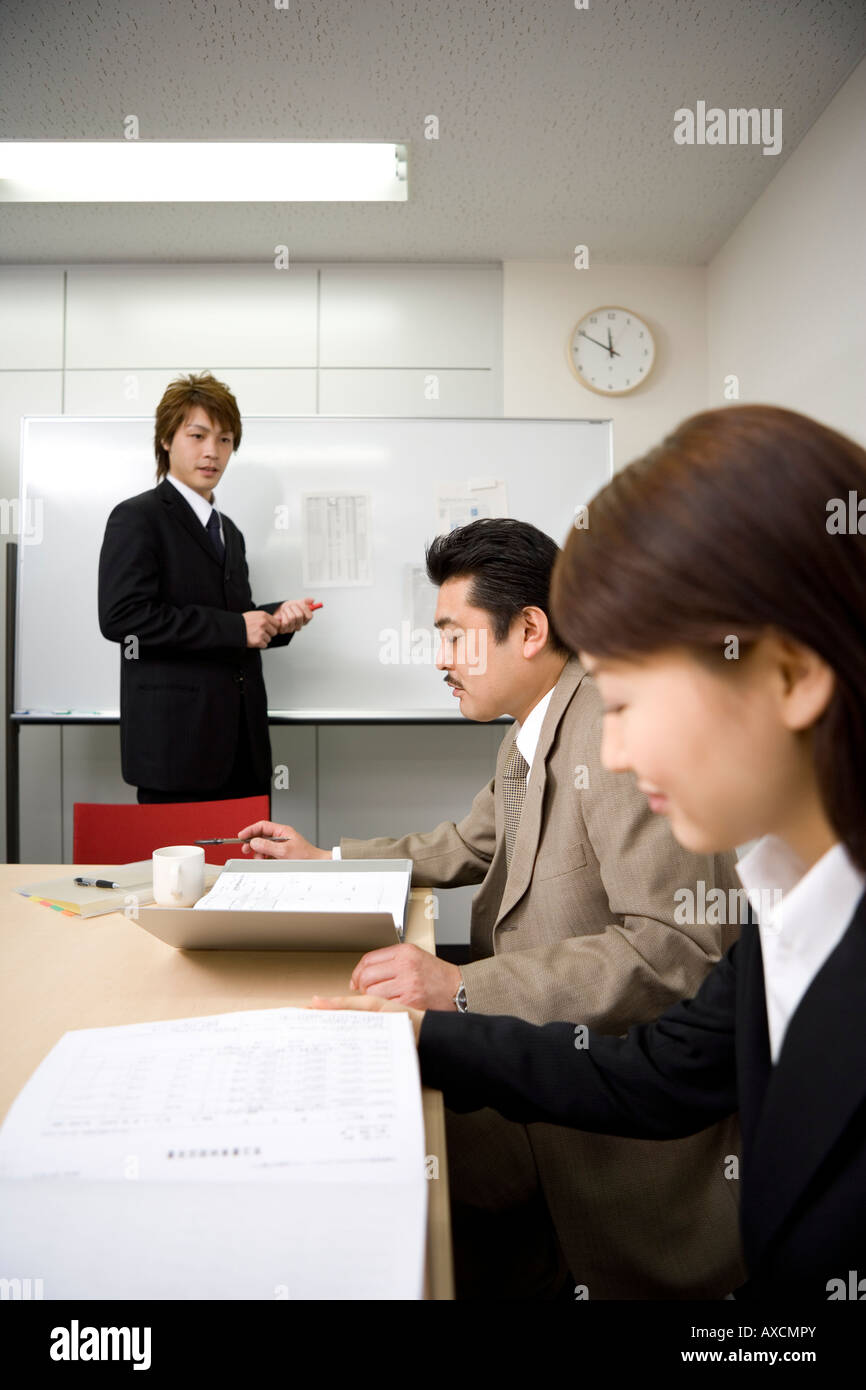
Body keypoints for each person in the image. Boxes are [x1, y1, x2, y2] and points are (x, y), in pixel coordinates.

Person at [312, 404, 866, 1300]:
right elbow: (659, 1076)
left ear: (790, 676)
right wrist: (425, 1036)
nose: (611, 750)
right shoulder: (787, 918)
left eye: (631, 694)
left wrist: (453, 996)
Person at [240, 518, 745, 1300]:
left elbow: (673, 949)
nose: (439, 660)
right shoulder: (529, 733)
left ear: (531, 629)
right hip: (535, 1081)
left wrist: (461, 990)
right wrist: (328, 860)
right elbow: (466, 842)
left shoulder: (611, 737)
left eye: (453, 635)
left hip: (617, 1151)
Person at [98, 372, 316, 803]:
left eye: (225, 440)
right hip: (177, 750)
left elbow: (230, 613)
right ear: (166, 439)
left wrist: (275, 618)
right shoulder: (137, 517)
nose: (212, 452)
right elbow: (123, 619)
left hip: (243, 745)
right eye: (197, 435)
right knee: (179, 873)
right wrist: (237, 628)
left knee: (245, 869)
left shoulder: (229, 531)